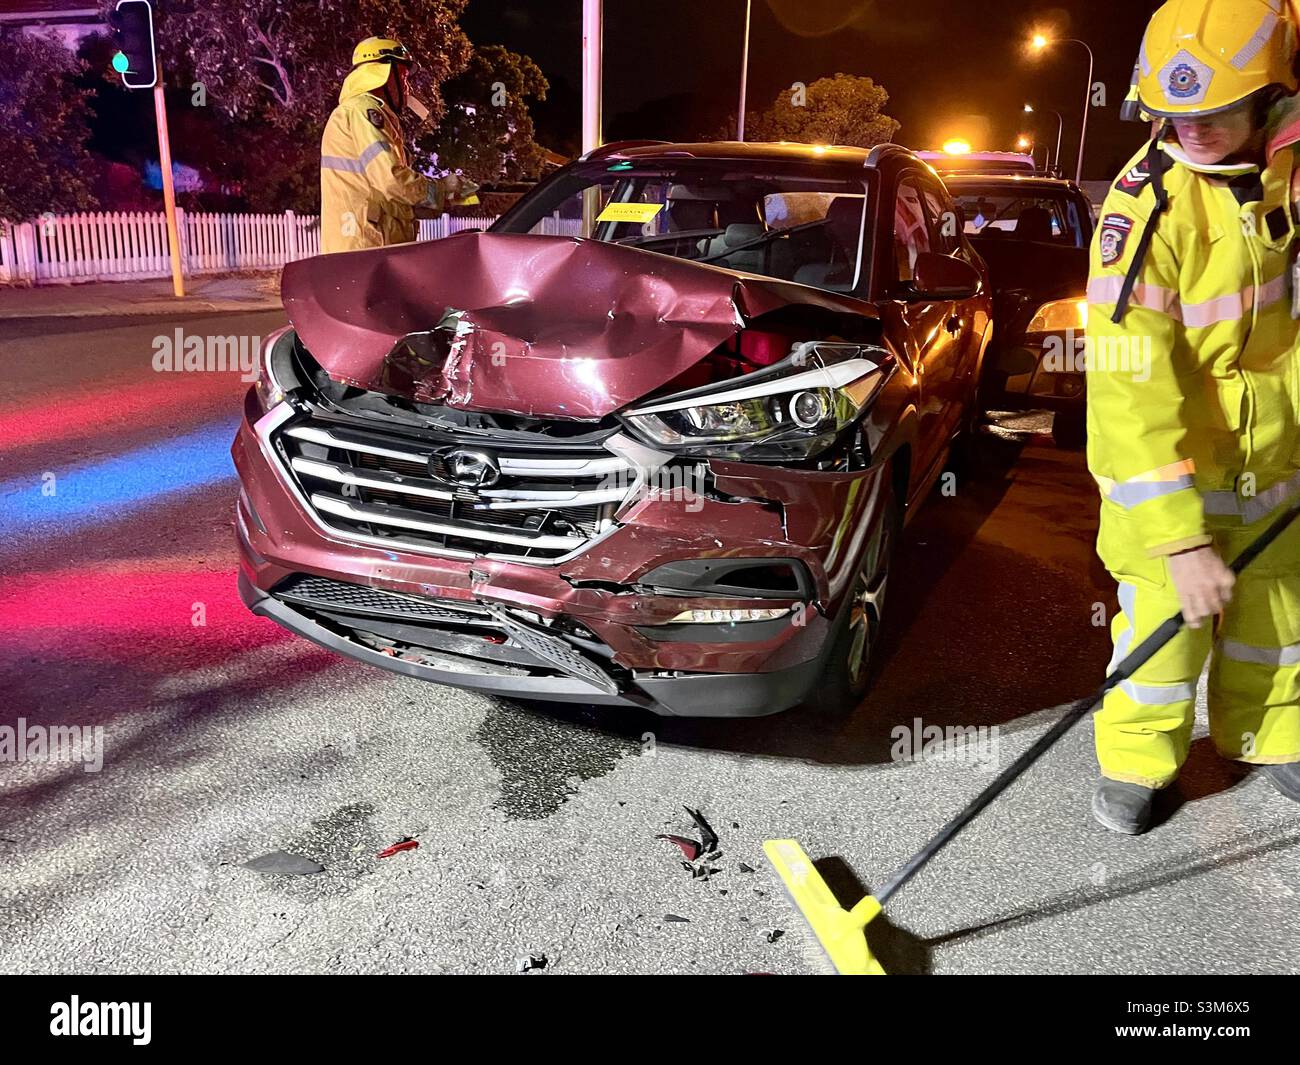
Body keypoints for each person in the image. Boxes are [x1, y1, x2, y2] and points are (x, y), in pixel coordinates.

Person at [1086, 0, 1300, 834]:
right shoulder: (1146, 212)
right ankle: (1139, 761)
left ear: (1269, 98)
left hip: (1281, 460)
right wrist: (1180, 541)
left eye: (1213, 112)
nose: (1193, 130)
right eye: (1175, 113)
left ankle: (1275, 738)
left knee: (1280, 618)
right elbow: (1125, 389)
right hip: (1175, 476)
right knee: (1164, 635)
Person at [319, 37, 476, 254]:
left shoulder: (359, 112)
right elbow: (391, 180)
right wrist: (441, 190)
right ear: (383, 72)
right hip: (367, 250)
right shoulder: (363, 111)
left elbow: (382, 191)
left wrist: (418, 206)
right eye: (402, 76)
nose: (407, 85)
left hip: (368, 247)